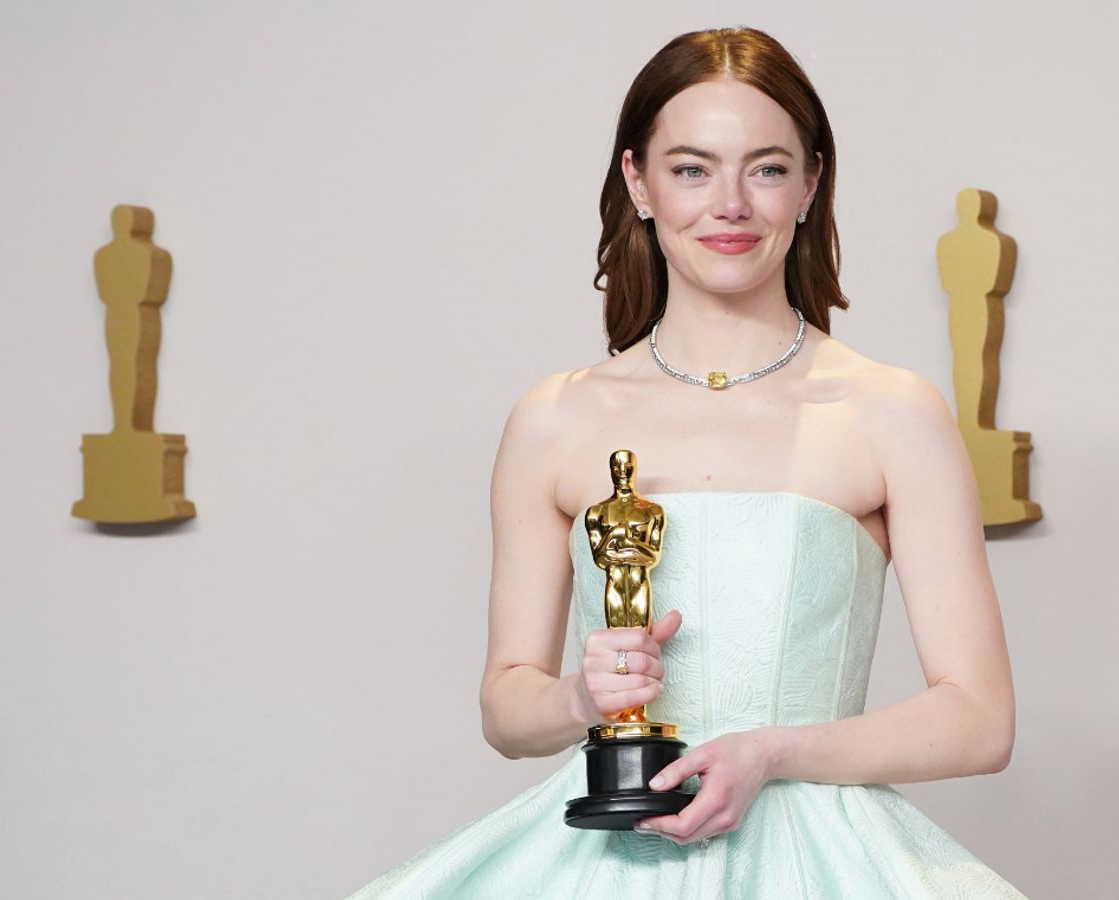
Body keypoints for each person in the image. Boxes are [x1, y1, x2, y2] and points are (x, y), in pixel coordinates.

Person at [349, 26, 1029, 899]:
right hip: (601, 851)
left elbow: (980, 718)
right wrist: (579, 701)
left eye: (769, 168)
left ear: (811, 184)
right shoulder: (554, 420)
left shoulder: (890, 412)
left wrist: (775, 752)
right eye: (692, 168)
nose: (731, 204)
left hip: (818, 856)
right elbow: (505, 707)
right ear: (638, 181)